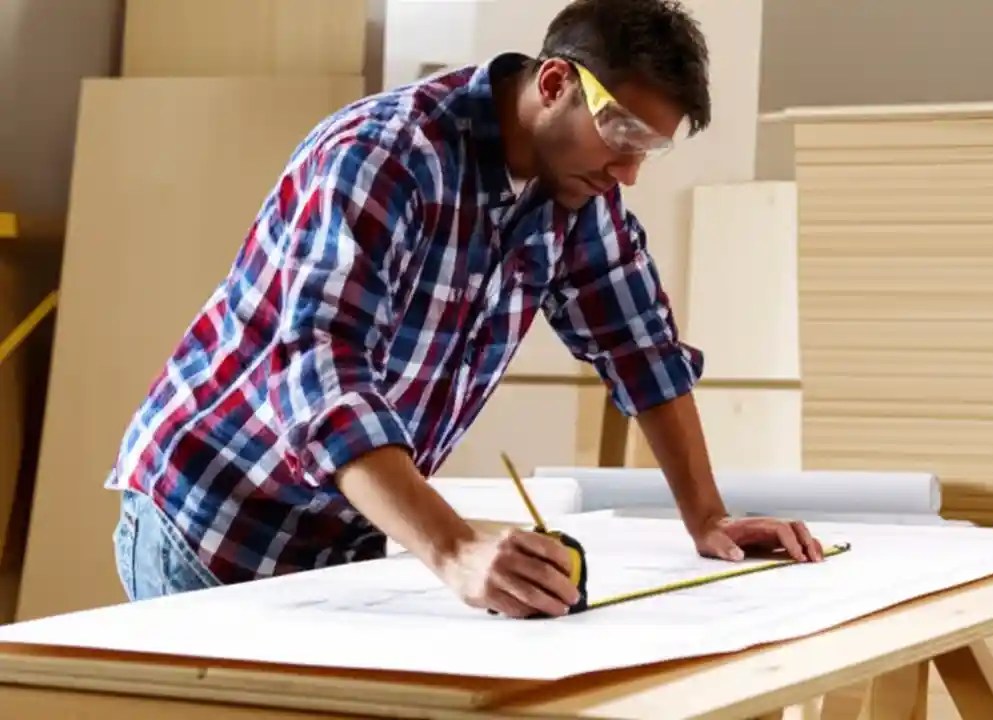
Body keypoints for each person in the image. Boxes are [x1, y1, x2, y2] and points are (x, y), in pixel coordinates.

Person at [107, 0, 824, 619]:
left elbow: (642, 350)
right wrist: (453, 549)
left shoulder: (576, 192)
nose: (629, 172)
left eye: (651, 149)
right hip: (212, 519)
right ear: (555, 84)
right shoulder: (386, 158)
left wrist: (709, 517)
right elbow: (324, 375)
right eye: (623, 136)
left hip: (342, 532)